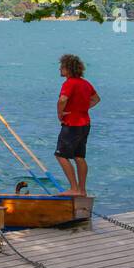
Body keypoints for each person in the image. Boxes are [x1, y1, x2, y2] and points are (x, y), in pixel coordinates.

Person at [55, 53, 99, 196]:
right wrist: (82, 108)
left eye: (62, 67)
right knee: (79, 157)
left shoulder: (69, 83)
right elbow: (96, 99)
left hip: (72, 124)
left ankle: (74, 188)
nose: (60, 69)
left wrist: (60, 113)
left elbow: (62, 100)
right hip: (85, 123)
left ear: (68, 69)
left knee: (61, 155)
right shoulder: (85, 83)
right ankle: (82, 190)